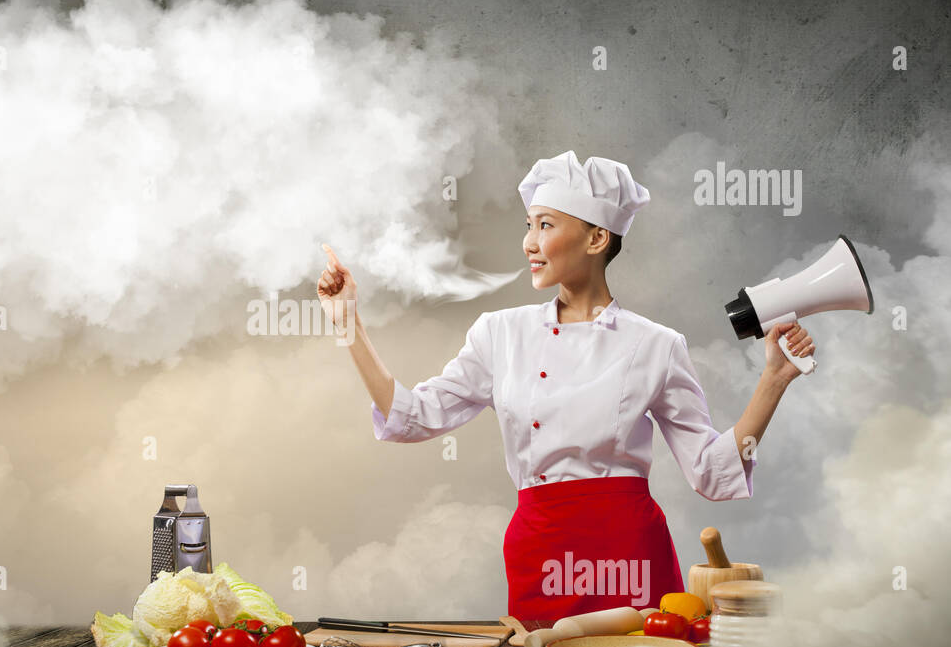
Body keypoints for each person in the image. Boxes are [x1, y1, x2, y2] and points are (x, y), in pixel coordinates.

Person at [317, 150, 814, 621]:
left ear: (597, 239)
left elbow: (709, 471)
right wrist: (348, 324)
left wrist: (773, 380)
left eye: (546, 225)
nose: (529, 243)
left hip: (629, 556)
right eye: (528, 226)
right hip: (540, 552)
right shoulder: (499, 333)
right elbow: (412, 416)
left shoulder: (657, 345)